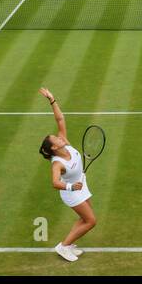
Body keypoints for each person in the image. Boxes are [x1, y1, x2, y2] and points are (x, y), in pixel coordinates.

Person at [37, 87, 96, 263]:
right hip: (71, 192)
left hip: (80, 184)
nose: (59, 136)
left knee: (85, 217)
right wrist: (71, 186)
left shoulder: (65, 144)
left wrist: (52, 100)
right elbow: (55, 183)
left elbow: (60, 118)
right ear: (54, 147)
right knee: (91, 221)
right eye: (56, 139)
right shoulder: (57, 164)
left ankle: (68, 246)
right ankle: (63, 246)